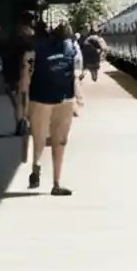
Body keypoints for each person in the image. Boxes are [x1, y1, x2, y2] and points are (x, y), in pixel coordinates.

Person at [21, 22, 84, 195]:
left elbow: (26, 77)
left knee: (39, 137)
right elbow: (76, 75)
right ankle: (57, 183)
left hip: (40, 97)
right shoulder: (73, 48)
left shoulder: (35, 49)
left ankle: (36, 165)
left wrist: (24, 104)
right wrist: (79, 100)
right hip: (65, 97)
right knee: (60, 141)